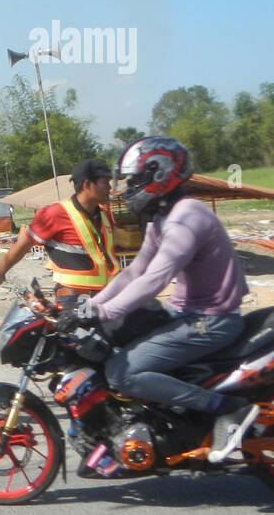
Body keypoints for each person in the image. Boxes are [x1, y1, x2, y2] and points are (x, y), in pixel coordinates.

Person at [74, 136, 256, 463]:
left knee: (121, 372)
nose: (128, 187)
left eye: (135, 179)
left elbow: (154, 279)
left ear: (160, 175)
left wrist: (102, 312)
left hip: (212, 319)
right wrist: (90, 306)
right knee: (112, 344)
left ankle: (227, 409)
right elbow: (133, 272)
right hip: (186, 311)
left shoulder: (186, 218)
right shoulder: (163, 217)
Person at [0, 158, 119, 299]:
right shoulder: (55, 213)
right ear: (87, 184)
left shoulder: (104, 215)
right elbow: (23, 245)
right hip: (77, 300)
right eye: (105, 183)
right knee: (87, 321)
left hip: (108, 295)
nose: (109, 188)